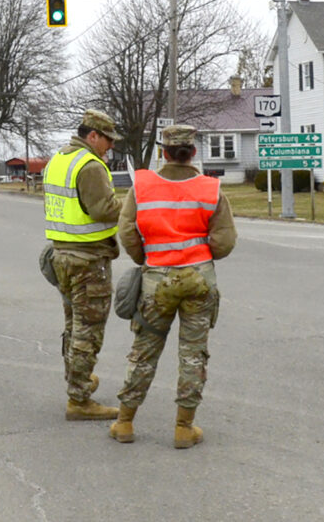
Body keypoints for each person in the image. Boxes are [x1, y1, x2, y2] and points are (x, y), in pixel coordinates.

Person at [109, 124, 236, 448]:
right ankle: (184, 427)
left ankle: (124, 423)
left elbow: (127, 231)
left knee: (144, 351)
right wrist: (203, 255)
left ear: (163, 153)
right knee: (193, 353)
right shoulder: (210, 189)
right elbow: (225, 241)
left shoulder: (143, 185)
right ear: (193, 152)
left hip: (156, 280)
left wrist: (145, 257)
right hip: (198, 279)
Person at [43, 109, 124, 420]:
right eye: (107, 140)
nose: (110, 146)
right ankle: (79, 399)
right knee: (88, 330)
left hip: (61, 256)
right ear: (93, 135)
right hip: (88, 260)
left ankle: (77, 379)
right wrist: (132, 203)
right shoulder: (89, 165)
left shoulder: (59, 159)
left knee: (73, 325)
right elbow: (102, 208)